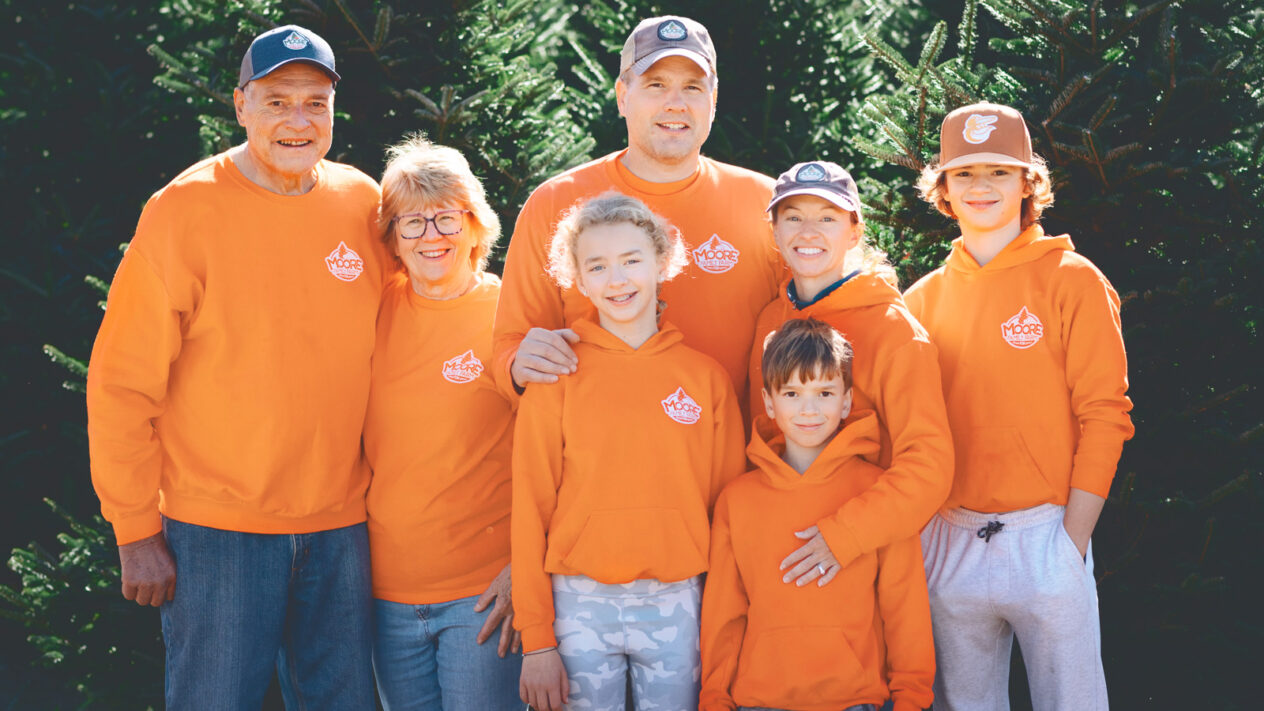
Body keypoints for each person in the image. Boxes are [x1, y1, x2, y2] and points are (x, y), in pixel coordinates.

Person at [85, 25, 383, 709]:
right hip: (218, 532)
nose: (298, 120)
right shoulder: (183, 210)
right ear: (241, 105)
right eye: (277, 102)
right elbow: (122, 382)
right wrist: (135, 529)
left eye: (315, 103)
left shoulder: (363, 204)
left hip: (343, 525)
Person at [903, 102, 1135, 710]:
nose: (981, 186)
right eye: (964, 172)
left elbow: (1105, 414)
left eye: (999, 172)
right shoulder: (920, 301)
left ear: (1028, 182)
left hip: (1047, 532)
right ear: (943, 188)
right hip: (950, 536)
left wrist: (1072, 541)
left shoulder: (1073, 279)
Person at [512, 193, 746, 711]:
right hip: (577, 602)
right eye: (597, 266)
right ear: (577, 278)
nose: (616, 280)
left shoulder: (705, 380)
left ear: (662, 262)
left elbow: (729, 515)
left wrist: (727, 626)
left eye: (632, 260)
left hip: (679, 599)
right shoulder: (557, 377)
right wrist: (537, 640)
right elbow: (529, 508)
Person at [493, 15, 781, 413]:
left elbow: (815, 330)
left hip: (727, 448)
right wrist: (518, 365)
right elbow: (510, 346)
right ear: (622, 96)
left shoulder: (766, 205)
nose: (675, 103)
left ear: (713, 101)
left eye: (692, 87)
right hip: (598, 447)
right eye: (656, 85)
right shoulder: (556, 203)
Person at [700, 318, 935, 711]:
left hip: (855, 701)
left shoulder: (879, 495)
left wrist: (911, 699)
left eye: (824, 392)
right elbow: (724, 616)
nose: (808, 409)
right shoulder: (736, 501)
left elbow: (904, 610)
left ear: (846, 400)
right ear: (769, 402)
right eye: (792, 393)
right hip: (760, 702)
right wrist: (715, 699)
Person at [363, 135, 521, 709]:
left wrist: (524, 570)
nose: (431, 236)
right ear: (392, 238)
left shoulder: (509, 315)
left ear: (475, 226)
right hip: (384, 598)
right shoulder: (371, 311)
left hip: (483, 596)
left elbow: (560, 452)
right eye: (412, 222)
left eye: (447, 218)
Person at [747, 161, 953, 586]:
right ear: (775, 233)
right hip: (780, 546)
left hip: (867, 553)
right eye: (793, 218)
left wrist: (847, 534)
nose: (808, 232)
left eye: (827, 218)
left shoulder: (894, 330)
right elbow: (763, 439)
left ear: (855, 232)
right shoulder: (770, 321)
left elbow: (928, 464)